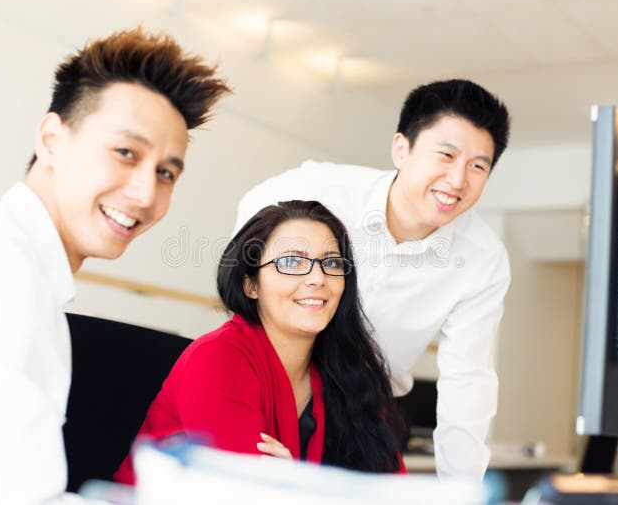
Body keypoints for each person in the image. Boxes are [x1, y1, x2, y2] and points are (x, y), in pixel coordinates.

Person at [0, 28, 230, 504]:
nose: (146, 194)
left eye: (166, 172)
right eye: (126, 153)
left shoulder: (11, 263)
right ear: (51, 139)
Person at [234, 79, 511, 479]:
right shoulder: (320, 190)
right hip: (273, 387)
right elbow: (250, 225)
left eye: (478, 166)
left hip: (367, 412)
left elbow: (468, 383)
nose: (457, 180)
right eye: (445, 155)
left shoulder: (482, 259)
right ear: (402, 149)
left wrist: (460, 492)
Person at [114, 200, 404, 485]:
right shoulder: (217, 359)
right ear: (251, 284)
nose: (318, 278)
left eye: (331, 262)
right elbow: (249, 493)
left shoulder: (350, 371)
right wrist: (300, 487)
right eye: (291, 261)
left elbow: (395, 493)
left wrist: (293, 483)